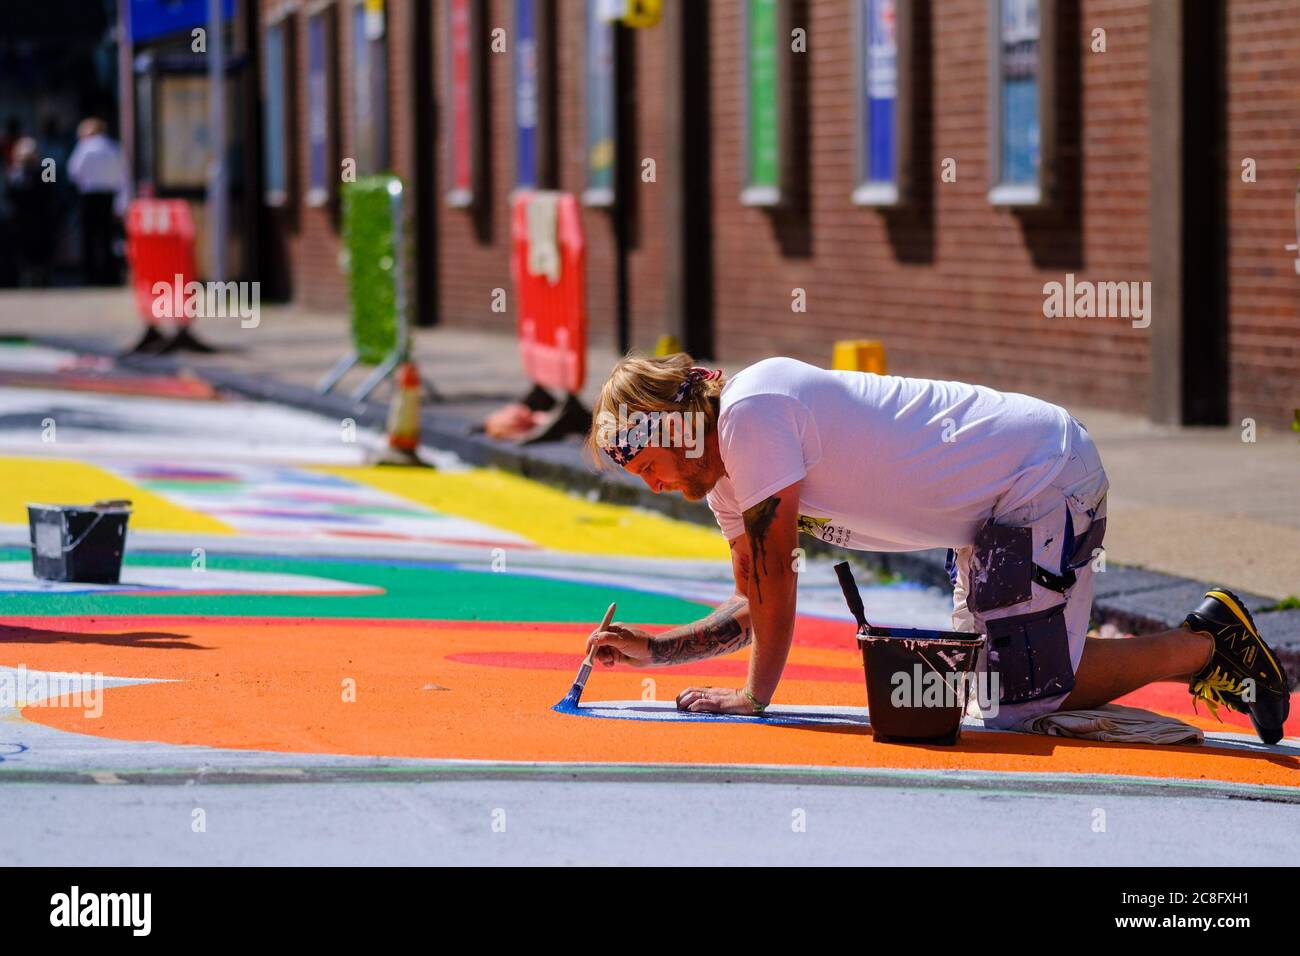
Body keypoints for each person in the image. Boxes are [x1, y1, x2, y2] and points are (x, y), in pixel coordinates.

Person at [583, 353, 1292, 744]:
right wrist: (656, 649)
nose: (655, 486)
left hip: (1040, 475)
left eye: (648, 467)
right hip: (993, 517)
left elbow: (778, 584)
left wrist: (753, 698)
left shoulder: (749, 417)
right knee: (989, 690)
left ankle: (1205, 644)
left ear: (672, 429)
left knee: (1012, 705)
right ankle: (1208, 638)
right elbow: (758, 599)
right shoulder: (728, 483)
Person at [66, 117, 124, 285]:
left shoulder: (85, 148)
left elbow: (73, 171)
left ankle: (91, 275)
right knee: (107, 237)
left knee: (89, 238)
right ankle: (109, 275)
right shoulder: (114, 147)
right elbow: (122, 175)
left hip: (89, 196)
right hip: (109, 196)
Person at [6, 138, 58, 286]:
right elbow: (11, 194)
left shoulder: (46, 168)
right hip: (24, 219)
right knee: (25, 250)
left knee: (42, 250)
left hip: (41, 218)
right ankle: (28, 276)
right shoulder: (15, 173)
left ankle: (42, 276)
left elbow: (51, 191)